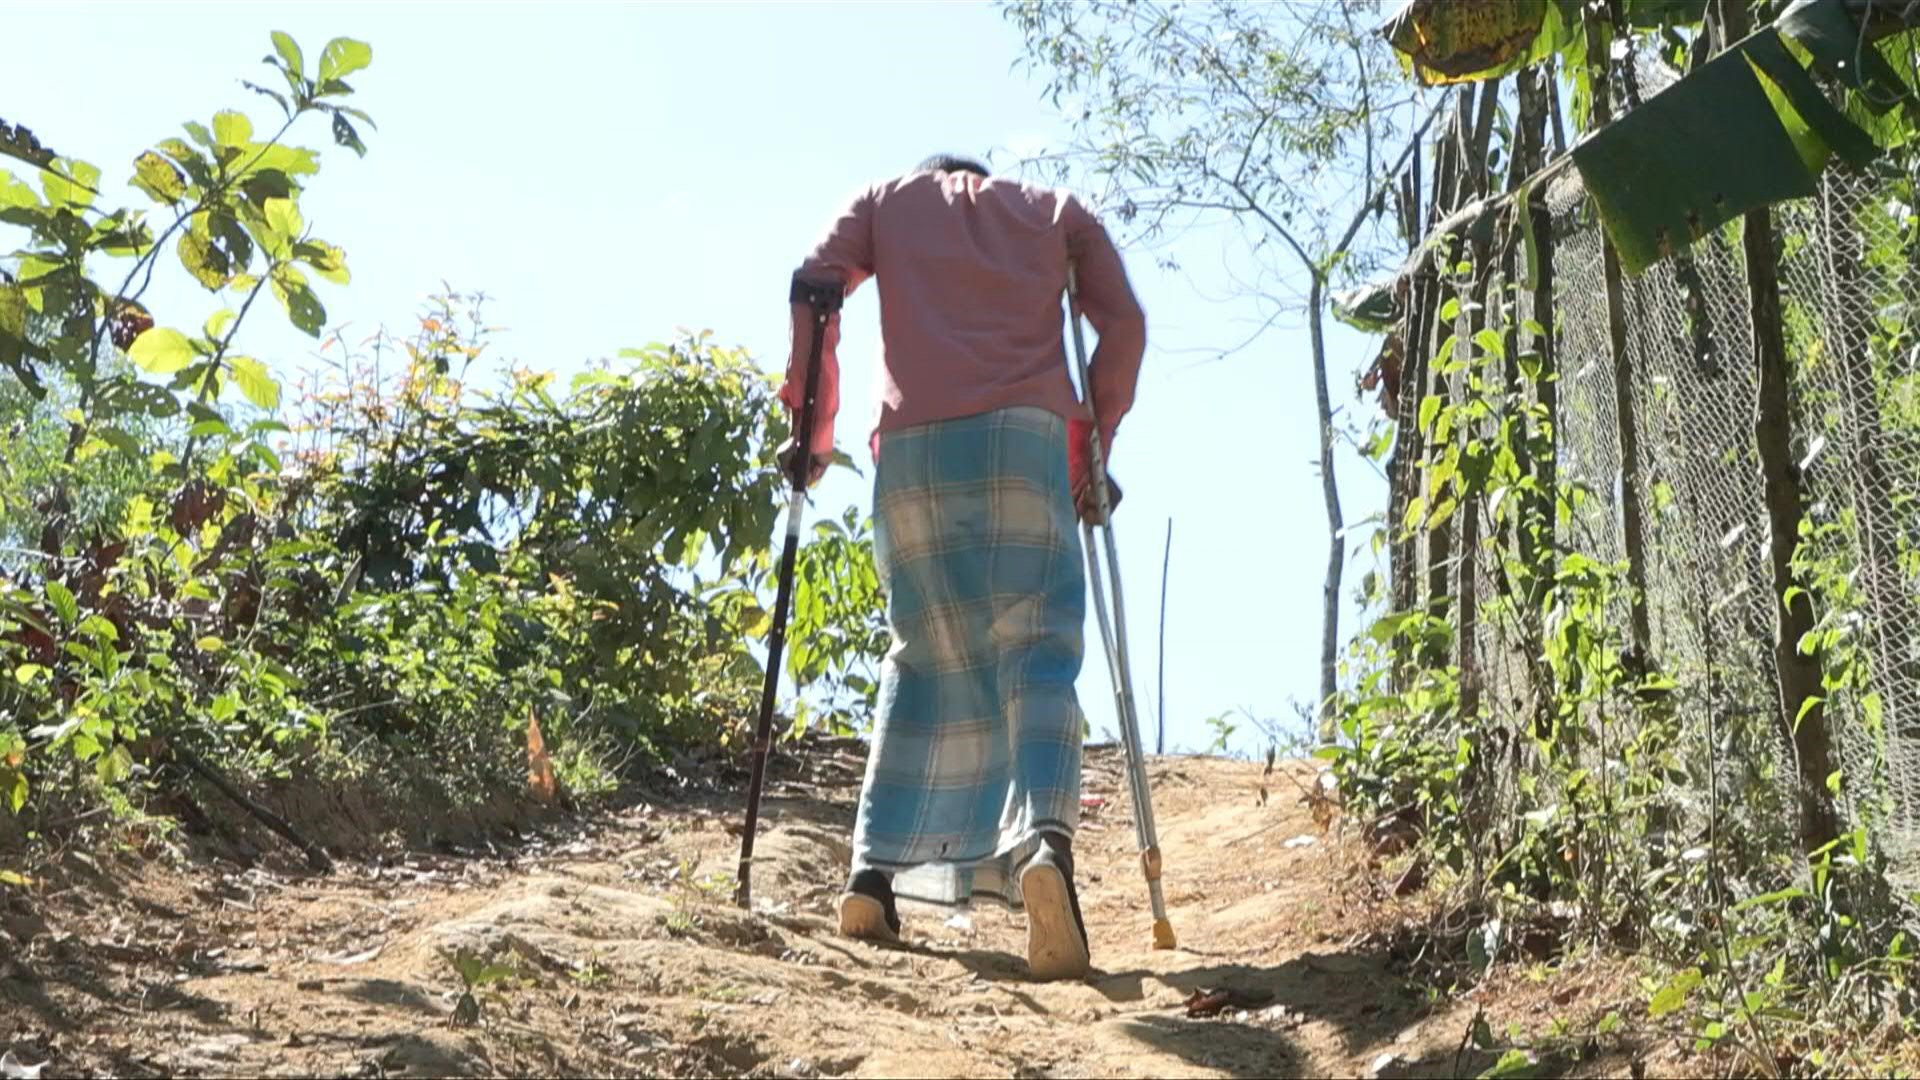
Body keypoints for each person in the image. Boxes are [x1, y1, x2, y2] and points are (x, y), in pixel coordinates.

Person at [777, 153, 1146, 980]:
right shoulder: (1055, 211)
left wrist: (813, 431)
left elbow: (815, 285)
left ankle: (871, 878)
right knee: (1040, 652)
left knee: (921, 655)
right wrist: (1092, 449)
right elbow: (1121, 325)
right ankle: (1045, 848)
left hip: (913, 454)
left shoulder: (881, 200)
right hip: (1026, 443)